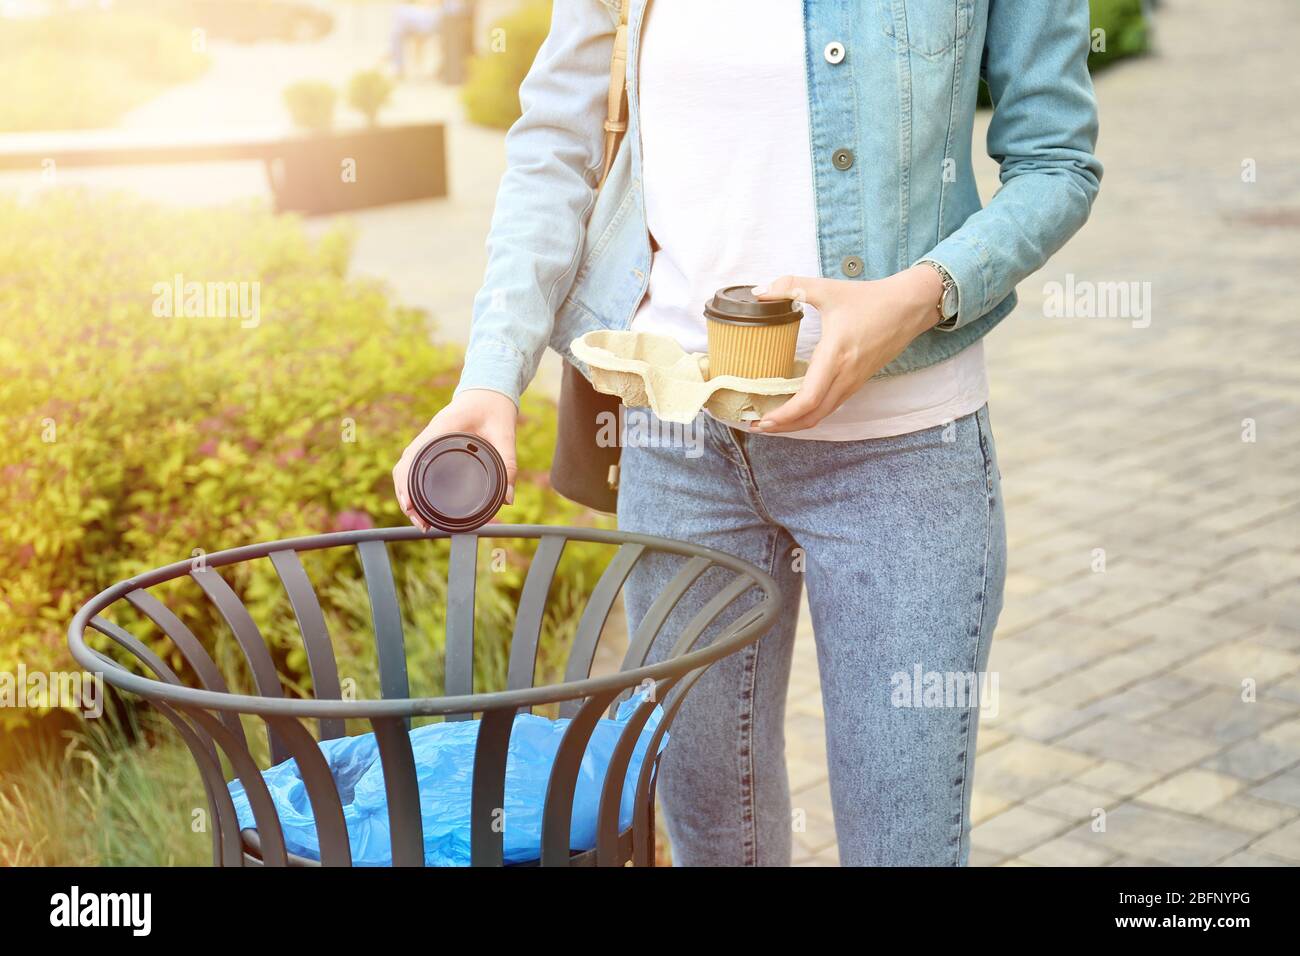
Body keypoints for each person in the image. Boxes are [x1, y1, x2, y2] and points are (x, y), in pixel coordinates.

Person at [394, 0, 1102, 866]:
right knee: (713, 842)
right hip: (678, 444)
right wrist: (490, 378)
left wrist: (921, 293)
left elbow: (1056, 160)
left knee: (901, 848)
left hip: (903, 456)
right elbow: (554, 146)